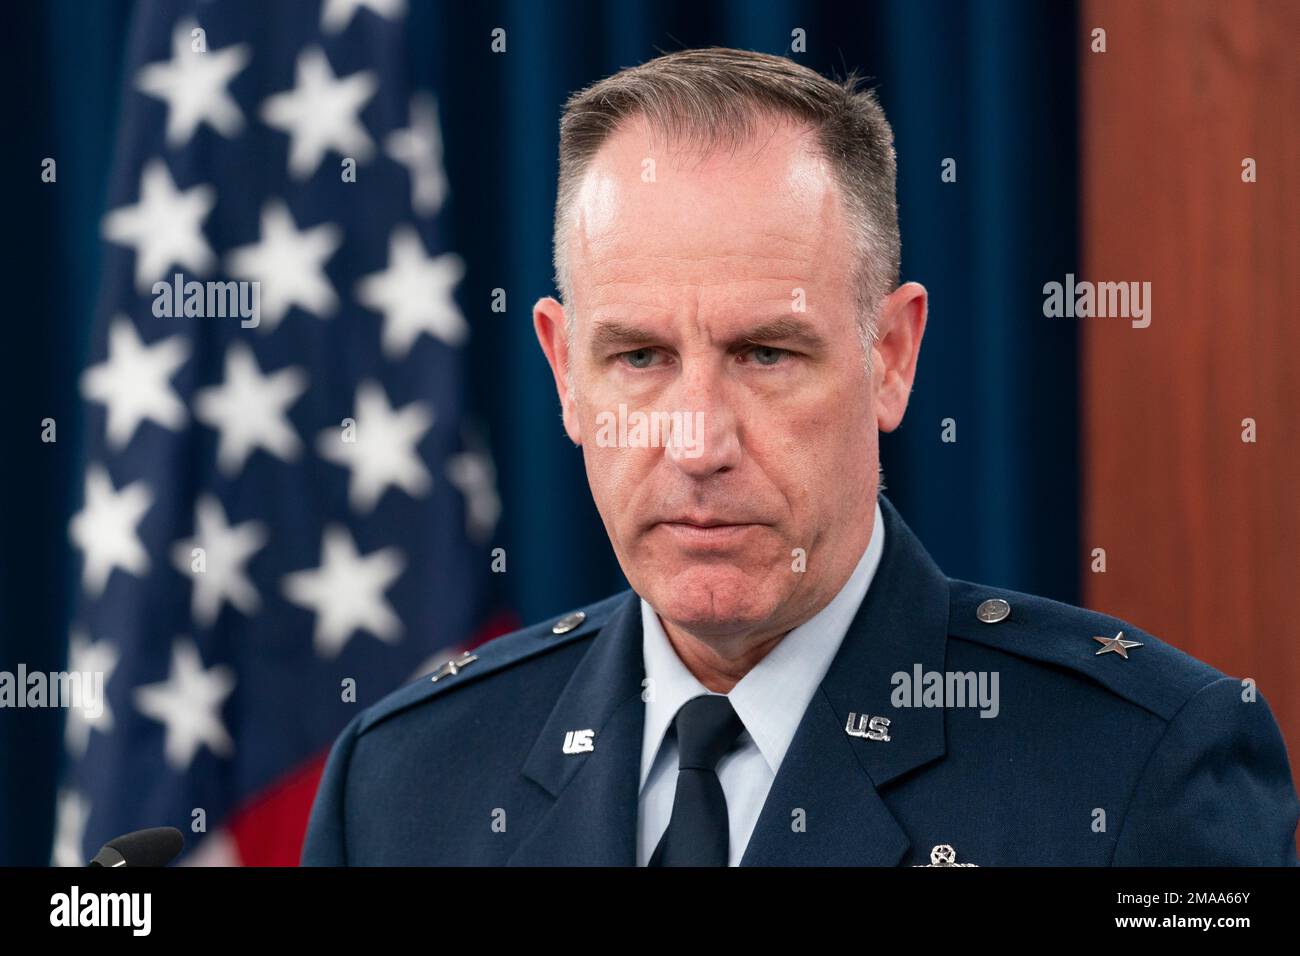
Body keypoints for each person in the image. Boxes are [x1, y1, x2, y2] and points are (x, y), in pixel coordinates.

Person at [301, 47, 1298, 866]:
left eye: (765, 354)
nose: (697, 442)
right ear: (564, 373)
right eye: (639, 356)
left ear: (890, 356)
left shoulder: (1135, 769)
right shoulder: (400, 786)